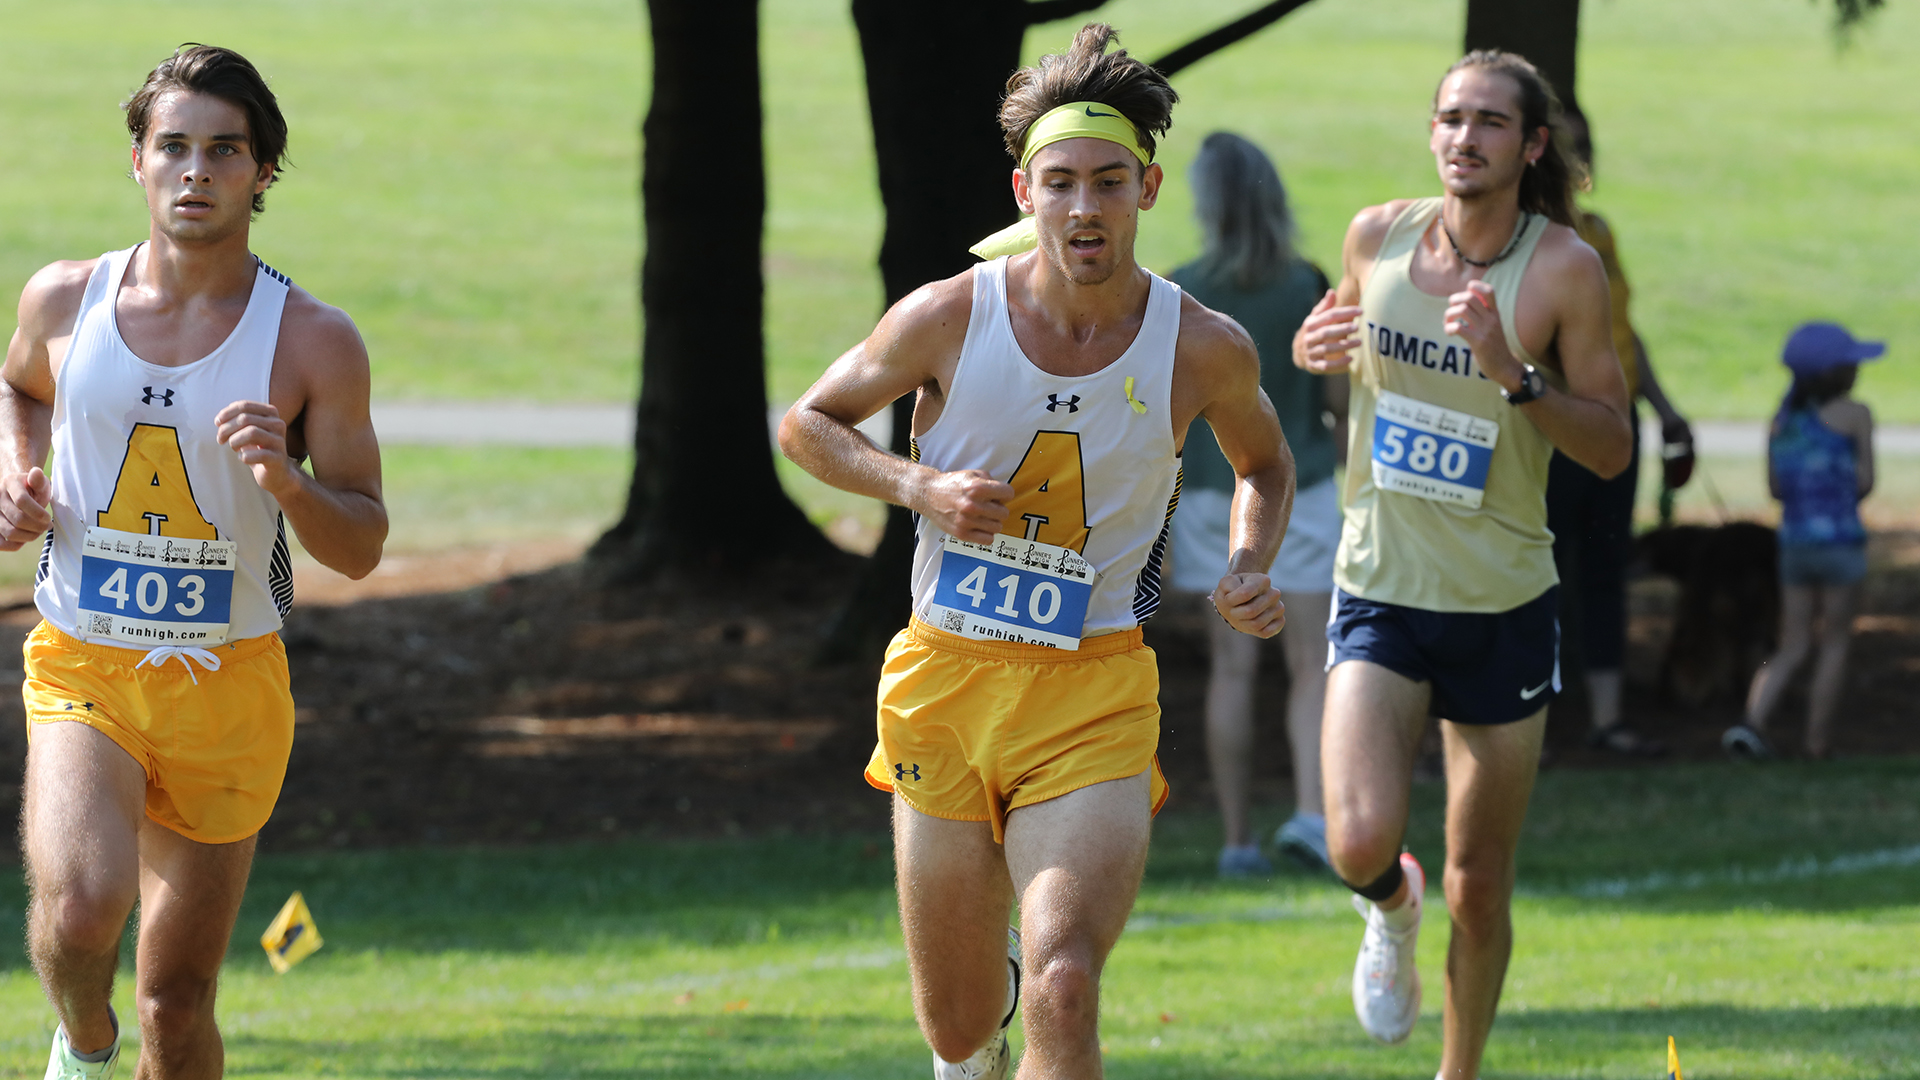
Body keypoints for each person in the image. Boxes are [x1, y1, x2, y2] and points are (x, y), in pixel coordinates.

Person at [779, 24, 1293, 1079]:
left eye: (1110, 182)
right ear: (1025, 194)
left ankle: (1033, 979)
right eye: (1061, 184)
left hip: (1095, 688)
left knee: (1064, 977)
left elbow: (1267, 466)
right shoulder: (945, 317)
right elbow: (808, 424)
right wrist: (916, 484)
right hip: (947, 676)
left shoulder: (1203, 344)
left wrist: (1248, 563)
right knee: (960, 1027)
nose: (1085, 208)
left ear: (1148, 190)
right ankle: (982, 1014)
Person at [0, 45, 386, 1080]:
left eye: (225, 149)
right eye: (173, 146)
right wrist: (18, 473)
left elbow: (361, 545)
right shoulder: (62, 300)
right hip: (86, 660)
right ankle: (81, 1048)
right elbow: (21, 387)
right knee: (82, 915)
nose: (195, 170)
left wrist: (292, 483)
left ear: (263, 173)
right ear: (137, 161)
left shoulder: (313, 342)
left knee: (176, 1002)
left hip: (231, 683)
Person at [1292, 50, 1632, 1079]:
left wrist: (1515, 378)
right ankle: (1390, 908)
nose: (1463, 138)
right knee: (1355, 840)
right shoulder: (1376, 236)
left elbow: (1612, 444)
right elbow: (1345, 375)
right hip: (1381, 586)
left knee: (1480, 882)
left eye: (1489, 122)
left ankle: (1459, 1071)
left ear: (1530, 146)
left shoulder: (1565, 267)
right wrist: (1319, 355)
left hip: (1503, 604)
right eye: (1449, 117)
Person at [1165, 132, 1343, 876]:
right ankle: (1311, 814)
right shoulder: (1306, 284)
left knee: (1231, 671)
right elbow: (1336, 401)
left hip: (1210, 495)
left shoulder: (1178, 292)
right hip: (1300, 489)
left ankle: (1237, 840)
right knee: (1311, 664)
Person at [1545, 106, 1693, 757]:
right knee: (1537, 571)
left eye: (1582, 148)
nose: (1575, 161)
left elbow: (1620, 333)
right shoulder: (1524, 239)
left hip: (1616, 419)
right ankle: (1529, 720)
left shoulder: (1599, 233)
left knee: (1606, 566)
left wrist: (1665, 409)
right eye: (1561, 147)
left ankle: (1607, 719)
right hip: (1552, 426)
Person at [1725, 322, 1882, 761]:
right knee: (1833, 642)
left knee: (1791, 644)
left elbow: (1775, 488)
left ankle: (1751, 722)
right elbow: (1866, 481)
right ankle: (1816, 744)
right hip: (1842, 545)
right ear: (1838, 373)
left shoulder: (1781, 420)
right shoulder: (1856, 415)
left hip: (1794, 546)